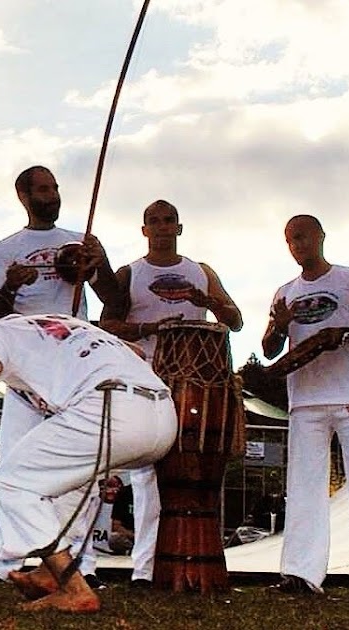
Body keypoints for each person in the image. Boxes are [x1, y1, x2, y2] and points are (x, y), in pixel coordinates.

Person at [0, 288, 177, 613]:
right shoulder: (65, 323)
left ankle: (75, 589)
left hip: (110, 408)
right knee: (65, 489)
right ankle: (49, 573)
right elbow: (136, 353)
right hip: (162, 418)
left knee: (14, 481)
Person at [0, 165, 120, 588]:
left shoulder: (81, 242)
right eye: (43, 189)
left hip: (72, 359)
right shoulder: (7, 248)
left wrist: (101, 264)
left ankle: (80, 562)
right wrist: (11, 285)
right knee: (15, 458)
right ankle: (4, 560)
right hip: (26, 363)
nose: (53, 195)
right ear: (24, 195)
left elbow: (114, 300)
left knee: (80, 464)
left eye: (55, 187)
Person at [257, 215, 349, 596]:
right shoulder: (284, 292)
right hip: (305, 398)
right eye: (290, 240)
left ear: (321, 237)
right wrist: (279, 326)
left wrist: (342, 334)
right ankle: (301, 574)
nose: (298, 245)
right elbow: (269, 351)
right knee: (305, 488)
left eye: (303, 237)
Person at [97, 199, 242, 586]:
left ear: (180, 227)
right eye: (154, 222)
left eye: (169, 221)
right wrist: (150, 329)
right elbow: (107, 323)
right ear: (144, 230)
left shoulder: (201, 271)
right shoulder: (130, 273)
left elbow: (236, 321)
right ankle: (146, 568)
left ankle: (191, 561)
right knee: (147, 474)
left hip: (194, 387)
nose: (162, 227)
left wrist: (207, 302)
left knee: (192, 473)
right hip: (146, 377)